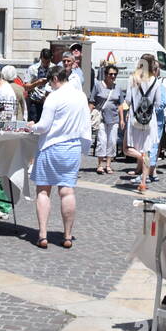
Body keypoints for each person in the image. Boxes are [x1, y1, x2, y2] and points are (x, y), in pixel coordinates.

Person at [25, 66, 91, 247]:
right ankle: (68, 236)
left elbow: (44, 125)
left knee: (44, 191)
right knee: (67, 191)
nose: (49, 86)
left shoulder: (54, 97)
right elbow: (86, 123)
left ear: (55, 79)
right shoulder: (80, 95)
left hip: (51, 147)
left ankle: (43, 235)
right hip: (72, 147)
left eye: (49, 83)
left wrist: (32, 126)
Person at [120, 54, 164, 193]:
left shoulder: (133, 79)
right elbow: (158, 103)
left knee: (127, 148)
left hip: (134, 118)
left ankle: (140, 157)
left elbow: (127, 100)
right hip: (150, 120)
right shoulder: (156, 81)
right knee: (147, 151)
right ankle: (143, 183)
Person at [91, 63, 123, 174]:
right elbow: (92, 101)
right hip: (101, 118)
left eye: (115, 74)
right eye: (110, 74)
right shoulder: (98, 85)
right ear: (105, 74)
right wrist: (88, 116)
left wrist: (122, 119)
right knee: (102, 141)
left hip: (114, 118)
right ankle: (100, 164)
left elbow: (120, 105)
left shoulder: (117, 87)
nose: (113, 76)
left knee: (112, 141)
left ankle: (108, 165)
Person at [26, 47, 53, 122]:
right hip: (35, 103)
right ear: (40, 58)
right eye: (43, 62)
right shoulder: (32, 69)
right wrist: (37, 83)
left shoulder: (54, 68)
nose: (45, 64)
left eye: (47, 62)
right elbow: (25, 87)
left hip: (49, 103)